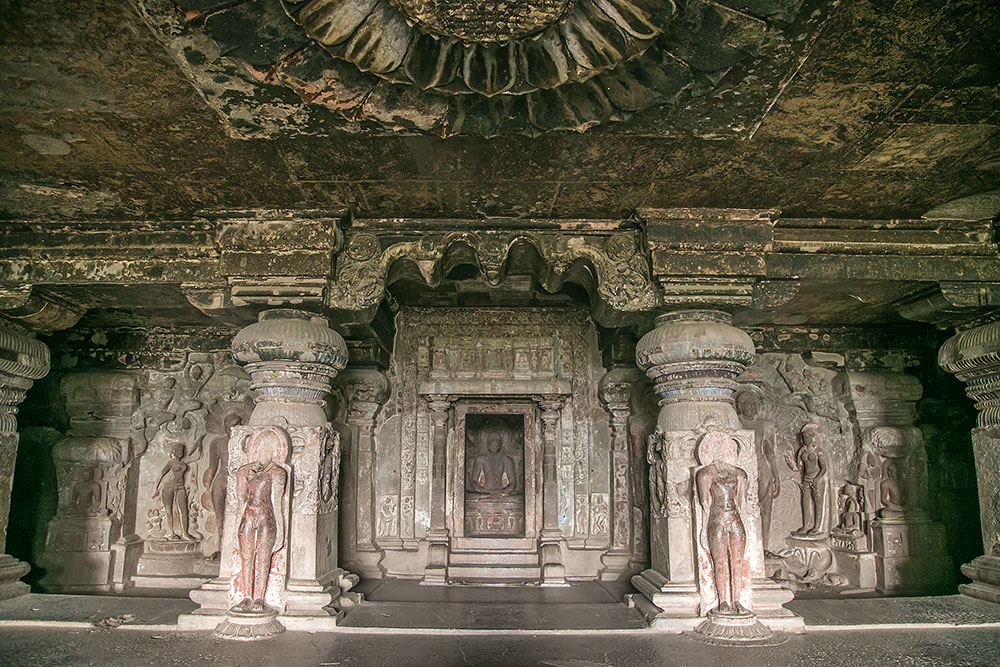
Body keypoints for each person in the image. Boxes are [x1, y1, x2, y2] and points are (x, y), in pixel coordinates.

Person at [233, 426, 288, 613]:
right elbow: (240, 500)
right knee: (246, 556)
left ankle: (259, 598)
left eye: (269, 446)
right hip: (248, 515)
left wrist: (281, 531)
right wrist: (235, 527)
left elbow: (279, 503)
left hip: (267, 516)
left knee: (264, 557)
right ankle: (246, 595)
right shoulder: (244, 471)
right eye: (260, 446)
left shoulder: (278, 473)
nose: (264, 450)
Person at [696, 433, 749, 615]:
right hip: (716, 519)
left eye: (724, 446)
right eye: (714, 447)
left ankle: (737, 600)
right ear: (707, 451)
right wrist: (703, 529)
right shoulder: (705, 473)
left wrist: (746, 525)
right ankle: (724, 601)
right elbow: (704, 503)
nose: (720, 450)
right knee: (720, 562)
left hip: (734, 518)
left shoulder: (739, 473)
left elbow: (742, 502)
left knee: (737, 561)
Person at [784, 423, 828, 537]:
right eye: (804, 437)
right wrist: (790, 463)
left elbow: (824, 468)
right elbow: (799, 468)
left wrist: (817, 479)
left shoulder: (818, 451)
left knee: (818, 502)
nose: (806, 439)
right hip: (806, 479)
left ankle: (817, 526)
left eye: (808, 437)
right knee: (805, 502)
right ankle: (806, 525)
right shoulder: (802, 451)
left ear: (813, 438)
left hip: (817, 478)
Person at [153, 442, 196, 540]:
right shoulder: (171, 463)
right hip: (168, 487)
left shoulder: (184, 463)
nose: (180, 453)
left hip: (180, 487)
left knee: (184, 510)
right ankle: (171, 533)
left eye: (182, 451)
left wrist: (199, 443)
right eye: (178, 451)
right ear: (174, 452)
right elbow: (161, 475)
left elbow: (197, 456)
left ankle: (185, 533)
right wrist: (156, 488)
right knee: (169, 510)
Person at [467, 430, 517, 496]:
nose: (494, 445)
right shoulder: (480, 459)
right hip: (484, 492)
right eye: (492, 442)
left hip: (501, 493)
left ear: (501, 445)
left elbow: (512, 483)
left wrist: (503, 491)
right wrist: (484, 490)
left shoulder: (507, 460)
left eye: (497, 442)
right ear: (487, 444)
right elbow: (474, 481)